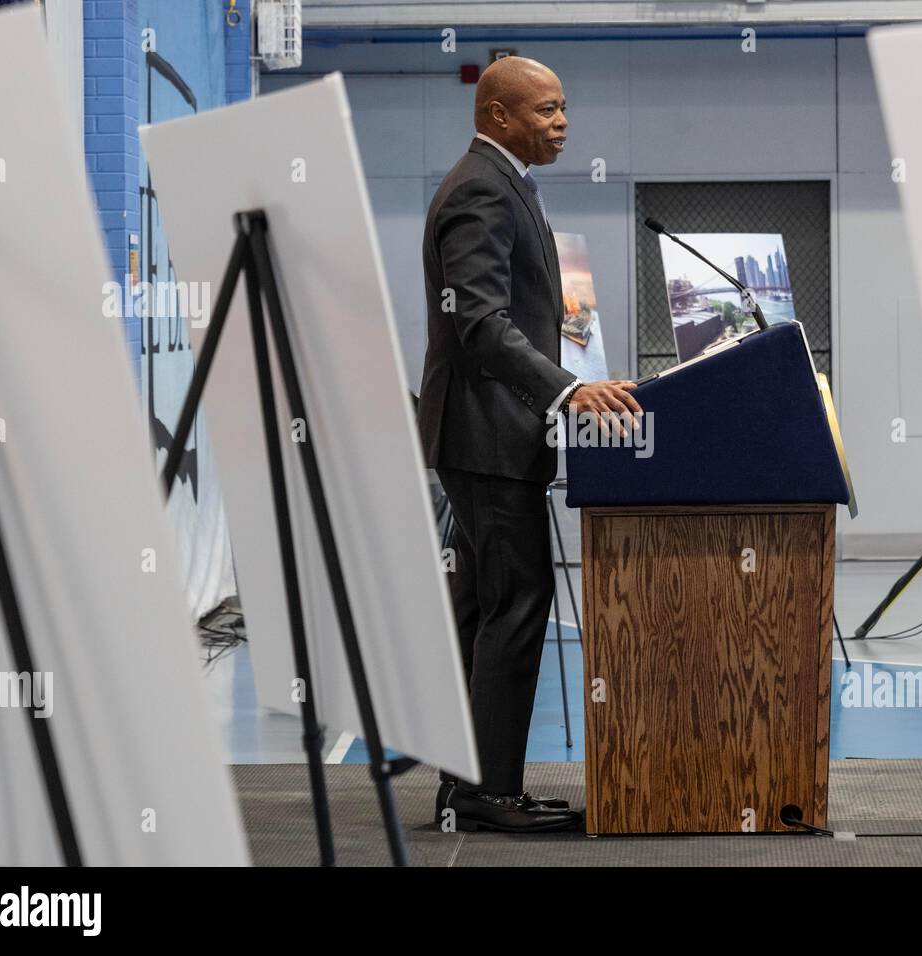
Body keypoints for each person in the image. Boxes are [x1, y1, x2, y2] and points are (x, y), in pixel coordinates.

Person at [417, 55, 642, 832]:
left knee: (489, 608)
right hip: (486, 439)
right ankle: (486, 793)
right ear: (498, 115)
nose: (562, 121)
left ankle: (469, 785)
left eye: (564, 106)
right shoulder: (482, 187)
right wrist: (570, 389)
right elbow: (480, 325)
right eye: (545, 110)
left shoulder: (507, 184)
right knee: (514, 607)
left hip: (491, 437)